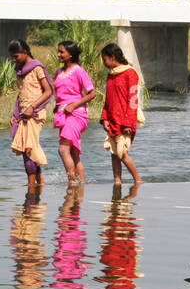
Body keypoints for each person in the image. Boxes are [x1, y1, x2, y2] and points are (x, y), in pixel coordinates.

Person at [9, 38, 53, 187]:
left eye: (16, 56)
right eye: (12, 57)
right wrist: (15, 114)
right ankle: (39, 182)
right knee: (26, 149)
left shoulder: (37, 68)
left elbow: (48, 91)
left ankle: (31, 186)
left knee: (29, 149)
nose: (14, 60)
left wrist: (32, 107)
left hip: (35, 114)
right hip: (23, 115)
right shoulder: (20, 71)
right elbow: (21, 94)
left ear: (25, 52)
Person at [99, 42, 142, 185]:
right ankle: (117, 181)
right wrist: (104, 117)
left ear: (112, 57)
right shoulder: (111, 74)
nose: (104, 63)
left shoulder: (130, 73)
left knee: (122, 153)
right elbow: (108, 98)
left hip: (124, 121)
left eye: (105, 59)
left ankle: (138, 180)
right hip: (112, 119)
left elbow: (133, 100)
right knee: (114, 152)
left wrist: (128, 123)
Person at [52, 40, 95, 184]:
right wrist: (57, 106)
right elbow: (61, 93)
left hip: (77, 114)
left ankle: (71, 183)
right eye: (58, 51)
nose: (58, 54)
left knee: (63, 149)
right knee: (73, 152)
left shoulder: (78, 70)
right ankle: (81, 185)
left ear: (70, 55)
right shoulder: (58, 72)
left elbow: (92, 93)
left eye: (61, 52)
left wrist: (73, 105)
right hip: (63, 115)